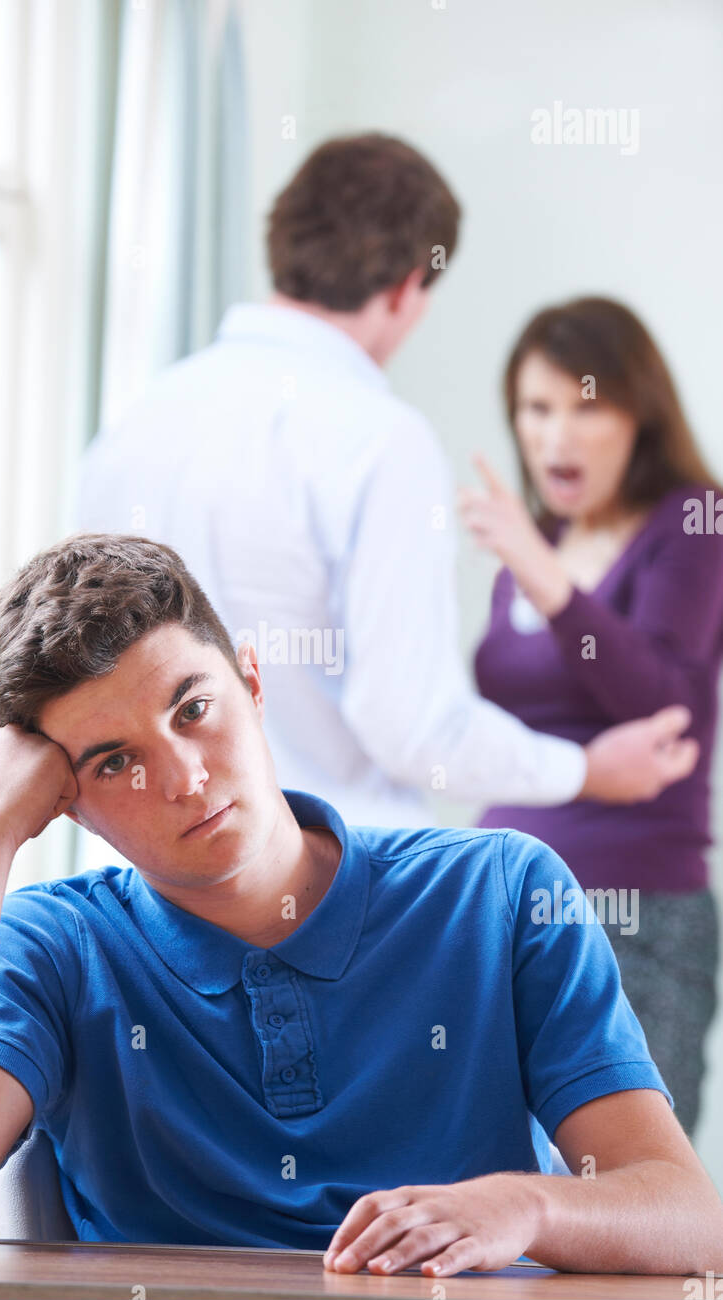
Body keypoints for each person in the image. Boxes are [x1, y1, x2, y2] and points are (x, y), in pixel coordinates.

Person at [0, 532, 721, 1277]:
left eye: (193, 709)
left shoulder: (499, 891)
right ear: (62, 800)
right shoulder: (56, 948)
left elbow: (690, 1215)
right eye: (115, 762)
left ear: (254, 682)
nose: (185, 778)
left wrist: (526, 1208)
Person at [76, 133, 696, 827]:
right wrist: (582, 769)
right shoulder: (379, 439)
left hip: (145, 874)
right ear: (408, 287)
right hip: (328, 876)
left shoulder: (131, 425)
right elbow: (410, 725)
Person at [459, 296, 723, 1138]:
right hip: (501, 902)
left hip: (634, 909)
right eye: (536, 409)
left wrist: (542, 572)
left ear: (639, 416)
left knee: (632, 1187)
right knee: (496, 1171)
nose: (556, 437)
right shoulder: (533, 549)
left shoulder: (688, 522)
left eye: (586, 406)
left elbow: (662, 704)